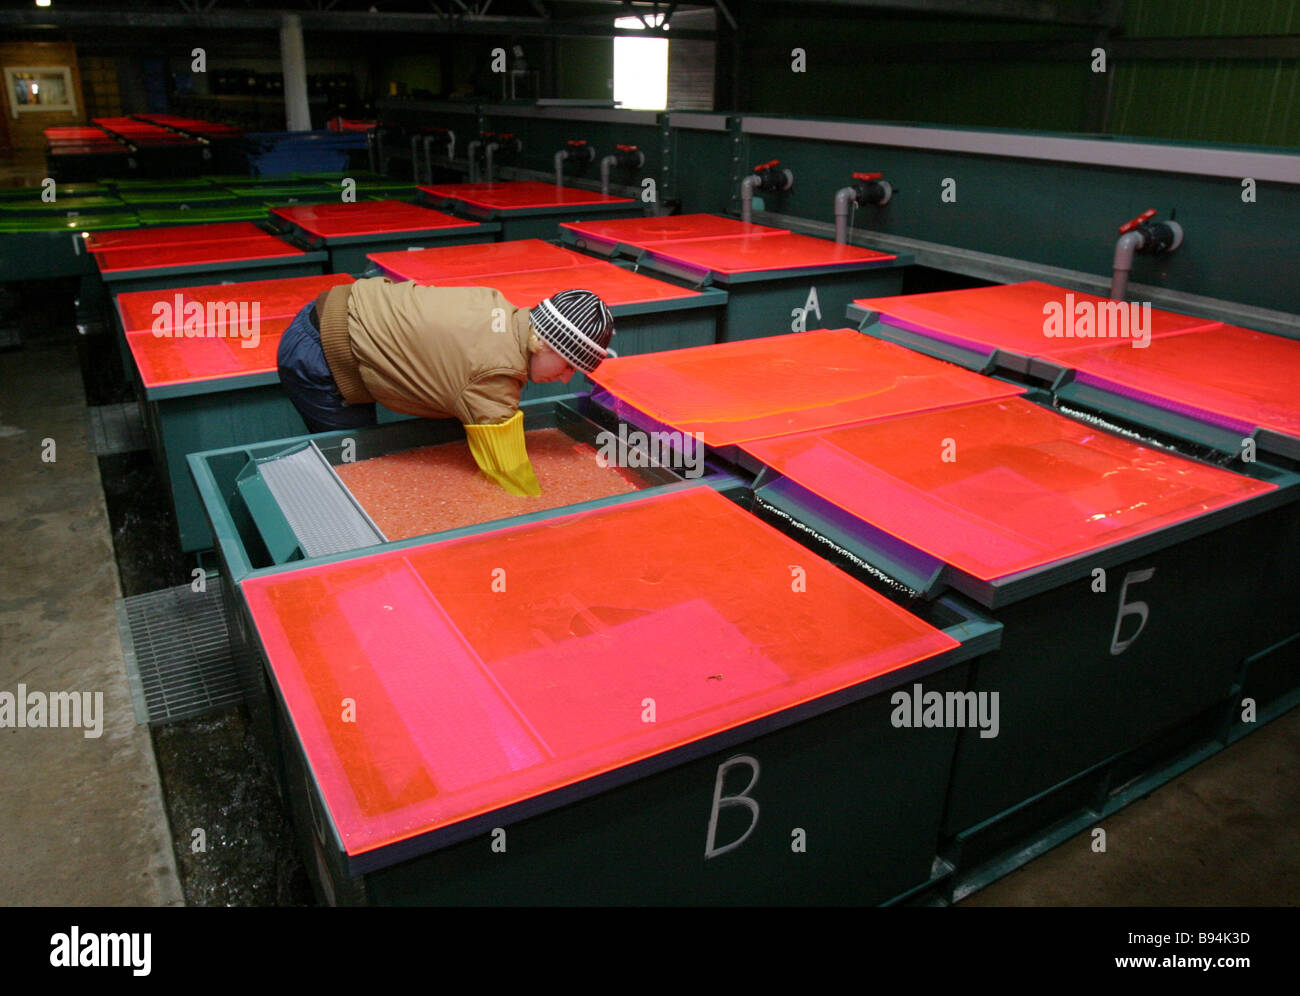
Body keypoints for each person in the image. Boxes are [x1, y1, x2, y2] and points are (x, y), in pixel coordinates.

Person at [277, 278, 615, 496]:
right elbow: (512, 477)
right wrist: (552, 514)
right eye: (569, 364)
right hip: (321, 355)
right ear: (545, 341)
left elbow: (451, 370)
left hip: (333, 312)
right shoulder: (493, 379)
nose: (567, 377)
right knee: (355, 476)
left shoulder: (497, 307)